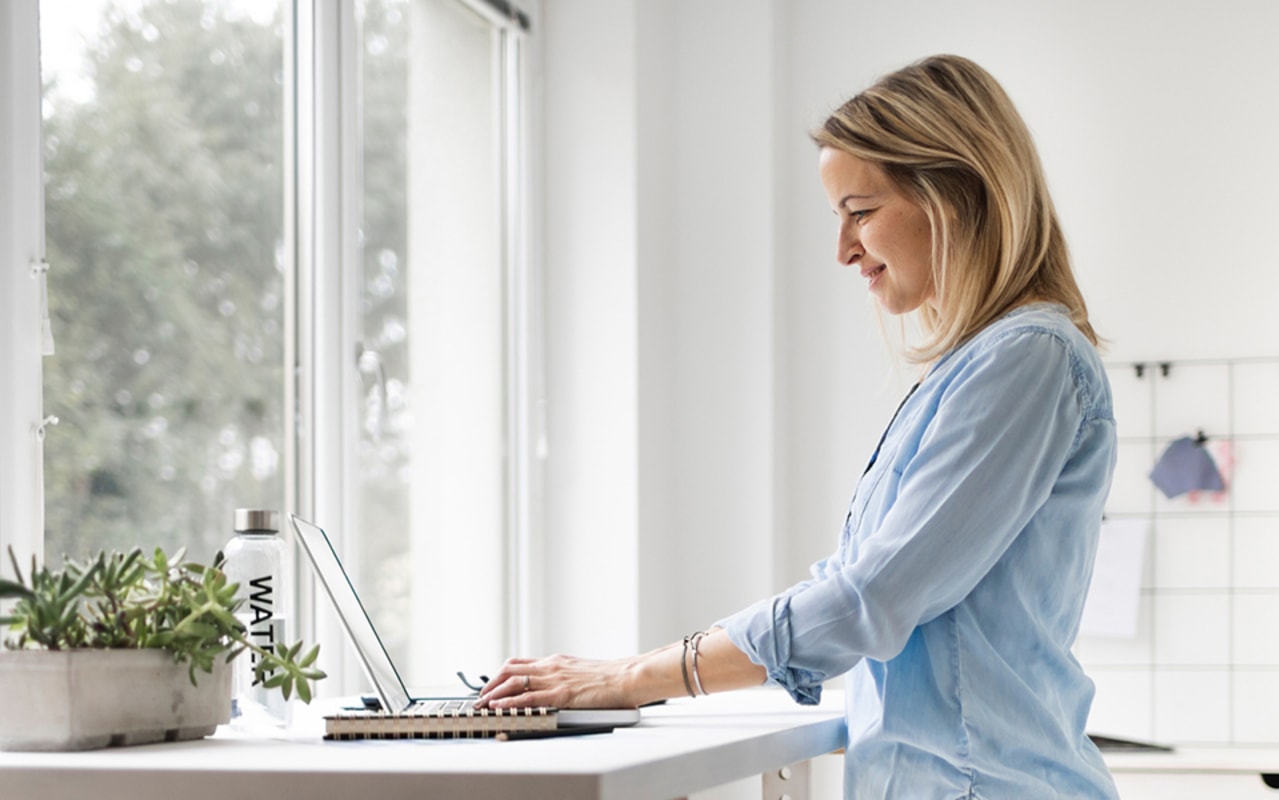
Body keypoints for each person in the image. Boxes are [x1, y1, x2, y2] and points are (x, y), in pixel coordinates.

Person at [477, 54, 1119, 799]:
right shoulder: (975, 368)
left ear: (955, 192)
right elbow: (855, 581)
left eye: (861, 212)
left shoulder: (1028, 361)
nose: (844, 250)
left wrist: (635, 676)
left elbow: (871, 598)